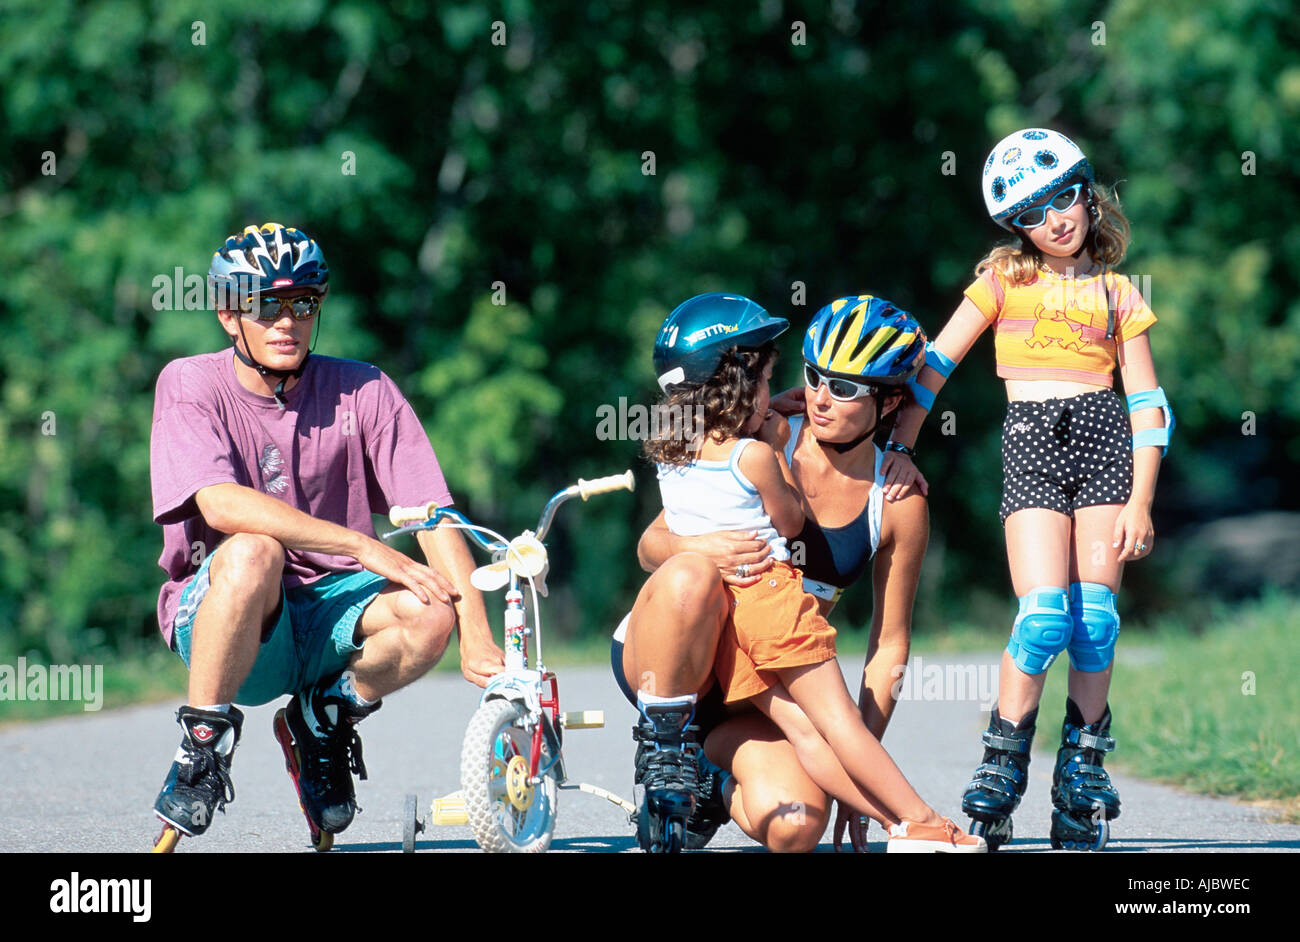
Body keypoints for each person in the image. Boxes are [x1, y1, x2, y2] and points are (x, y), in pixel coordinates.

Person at [149, 222, 505, 848]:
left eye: (304, 303)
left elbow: (430, 514)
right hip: (236, 619)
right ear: (229, 314)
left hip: (332, 610)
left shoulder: (364, 387)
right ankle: (203, 746)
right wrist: (362, 545)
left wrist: (476, 635)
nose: (287, 321)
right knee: (255, 550)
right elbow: (221, 503)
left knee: (430, 609)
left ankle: (321, 719)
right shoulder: (189, 382)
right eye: (267, 304)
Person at [885, 129, 1173, 850]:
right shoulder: (1002, 283)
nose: (1056, 219)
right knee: (1044, 617)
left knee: (1096, 619)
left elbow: (1148, 405)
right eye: (1034, 213)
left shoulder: (1118, 295)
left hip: (1106, 442)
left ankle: (1081, 770)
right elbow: (932, 368)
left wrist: (1141, 499)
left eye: (1065, 197)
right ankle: (1004, 760)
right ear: (1018, 227)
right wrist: (898, 448)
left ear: (1087, 192)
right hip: (1033, 443)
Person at [613, 291, 973, 852]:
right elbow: (651, 544)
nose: (822, 398)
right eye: (813, 376)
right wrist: (704, 547)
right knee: (691, 573)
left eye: (846, 387)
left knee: (798, 826)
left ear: (888, 402)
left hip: (763, 684)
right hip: (678, 658)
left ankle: (708, 782)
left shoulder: (896, 498)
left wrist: (863, 768)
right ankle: (665, 751)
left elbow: (889, 644)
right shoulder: (760, 435)